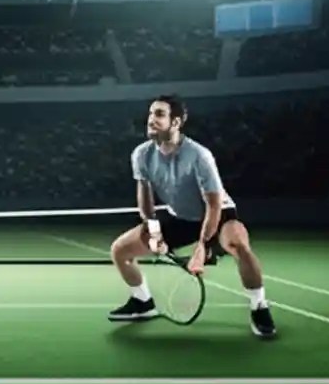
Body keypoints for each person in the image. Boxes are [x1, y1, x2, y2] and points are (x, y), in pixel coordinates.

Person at [107, 95, 277, 338]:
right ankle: (143, 302)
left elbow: (214, 204)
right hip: (181, 217)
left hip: (217, 213)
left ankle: (259, 306)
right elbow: (145, 201)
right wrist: (154, 233)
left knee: (239, 243)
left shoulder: (199, 155)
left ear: (176, 122)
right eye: (151, 113)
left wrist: (202, 247)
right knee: (120, 250)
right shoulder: (141, 154)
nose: (151, 119)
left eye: (159, 114)